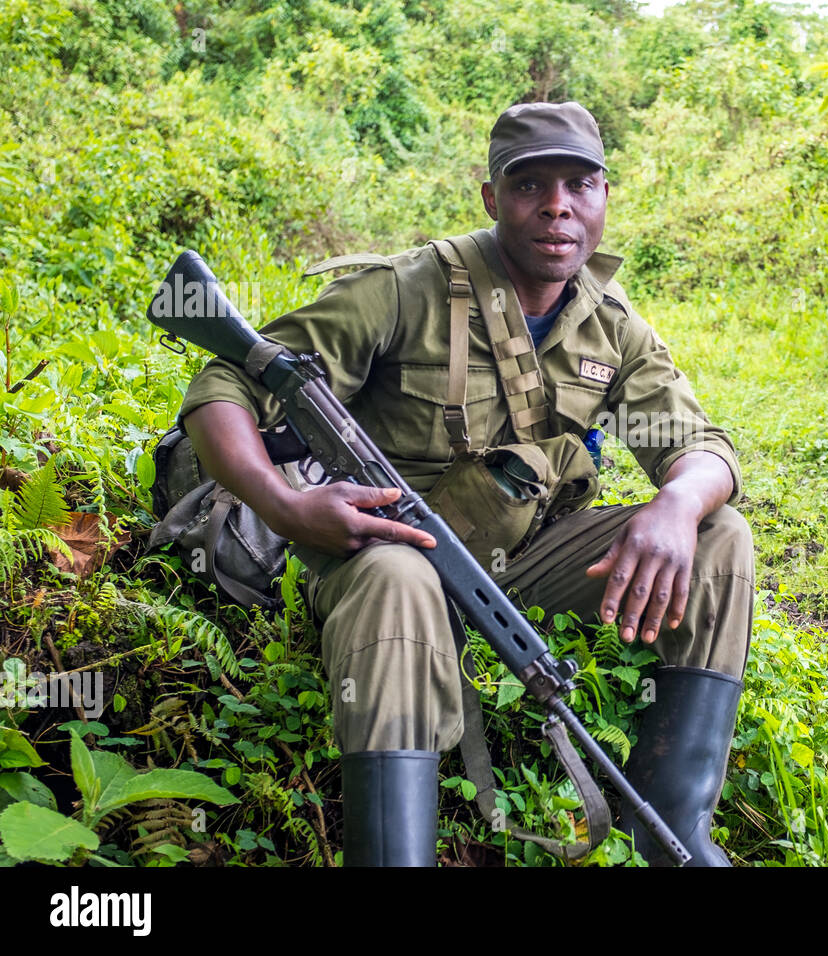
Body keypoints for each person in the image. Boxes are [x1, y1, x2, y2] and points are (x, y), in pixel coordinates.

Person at [177, 101, 754, 867]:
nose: (557, 206)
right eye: (530, 186)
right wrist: (284, 505)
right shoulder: (406, 291)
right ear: (491, 198)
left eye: (580, 184)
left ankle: (675, 829)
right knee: (394, 577)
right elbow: (226, 382)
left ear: (605, 197)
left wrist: (678, 503)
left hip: (526, 553)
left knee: (721, 534)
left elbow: (699, 446)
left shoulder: (612, 328)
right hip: (387, 543)